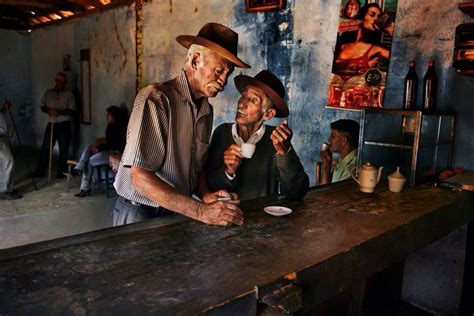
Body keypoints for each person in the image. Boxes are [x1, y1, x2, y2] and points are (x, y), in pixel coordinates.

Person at [113, 22, 250, 227]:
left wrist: (206, 195)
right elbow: (139, 178)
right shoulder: (156, 99)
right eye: (219, 70)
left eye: (228, 74)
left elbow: (195, 169)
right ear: (195, 61)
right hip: (140, 212)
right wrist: (201, 211)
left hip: (175, 211)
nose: (224, 80)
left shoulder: (206, 109)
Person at [206, 70, 309, 201]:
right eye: (243, 96)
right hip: (225, 216)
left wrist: (285, 152)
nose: (242, 103)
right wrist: (228, 172)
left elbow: (296, 192)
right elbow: (208, 187)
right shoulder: (222, 132)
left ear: (268, 114)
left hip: (263, 218)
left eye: (253, 100)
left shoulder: (276, 140)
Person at [329, 3, 395, 108]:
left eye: (378, 17)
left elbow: (401, 56)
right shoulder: (342, 45)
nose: (375, 19)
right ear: (362, 17)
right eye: (372, 15)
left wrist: (388, 26)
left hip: (358, 104)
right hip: (333, 104)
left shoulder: (375, 49)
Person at [73, 106, 128, 197]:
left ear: (114, 116)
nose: (107, 116)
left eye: (109, 114)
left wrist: (99, 148)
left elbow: (113, 144)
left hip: (115, 153)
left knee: (90, 161)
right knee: (89, 148)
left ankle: (84, 187)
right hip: (107, 150)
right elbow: (108, 141)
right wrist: (99, 145)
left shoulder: (120, 127)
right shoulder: (110, 126)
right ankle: (79, 167)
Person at [33, 72, 76, 178]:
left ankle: (61, 172)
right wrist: (48, 110)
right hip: (51, 123)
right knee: (45, 148)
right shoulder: (49, 92)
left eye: (63, 81)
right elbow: (42, 107)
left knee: (63, 149)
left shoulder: (69, 94)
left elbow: (73, 111)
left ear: (65, 82)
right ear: (55, 80)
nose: (60, 83)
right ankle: (40, 171)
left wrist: (58, 112)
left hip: (64, 124)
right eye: (58, 80)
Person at [319, 119, 359, 185]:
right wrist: (326, 164)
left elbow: (328, 193)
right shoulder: (342, 160)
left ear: (344, 140)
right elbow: (326, 188)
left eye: (333, 137)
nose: (329, 139)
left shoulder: (352, 168)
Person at [0, 101, 22, 200]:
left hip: (2, 137)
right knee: (8, 161)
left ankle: (7, 189)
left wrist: (4, 108)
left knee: (4, 163)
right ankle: (4, 191)